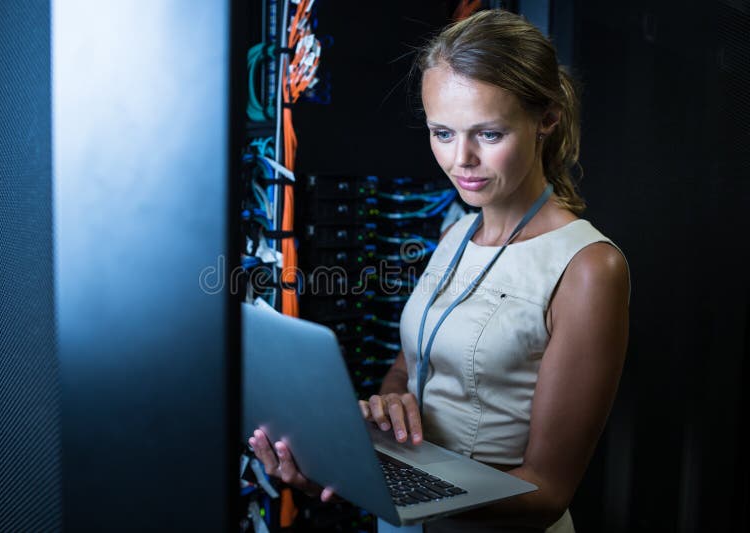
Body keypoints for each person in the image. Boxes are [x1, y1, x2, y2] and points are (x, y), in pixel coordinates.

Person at [250, 9, 630, 532]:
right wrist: (389, 408)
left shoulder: (590, 268)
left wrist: (380, 480)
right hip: (405, 520)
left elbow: (548, 491)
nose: (461, 160)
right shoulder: (456, 234)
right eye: (443, 132)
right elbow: (412, 366)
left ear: (547, 117)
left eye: (489, 135)